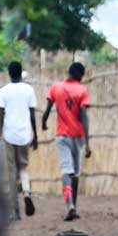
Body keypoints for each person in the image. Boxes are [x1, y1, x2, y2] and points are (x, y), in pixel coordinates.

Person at [42, 61, 92, 221]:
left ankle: (70, 205)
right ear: (77, 74)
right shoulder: (82, 90)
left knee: (66, 170)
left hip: (62, 136)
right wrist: (88, 142)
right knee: (75, 174)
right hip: (77, 137)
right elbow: (84, 116)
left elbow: (48, 107)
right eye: (82, 76)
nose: (82, 79)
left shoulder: (56, 87)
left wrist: (43, 122)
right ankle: (73, 206)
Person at [0, 61, 40, 219]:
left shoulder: (3, 91)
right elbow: (32, 115)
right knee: (23, 167)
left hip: (9, 134)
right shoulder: (29, 90)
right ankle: (27, 192)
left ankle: (14, 211)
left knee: (11, 171)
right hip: (24, 135)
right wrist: (35, 136)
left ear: (9, 73)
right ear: (21, 72)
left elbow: (1, 115)